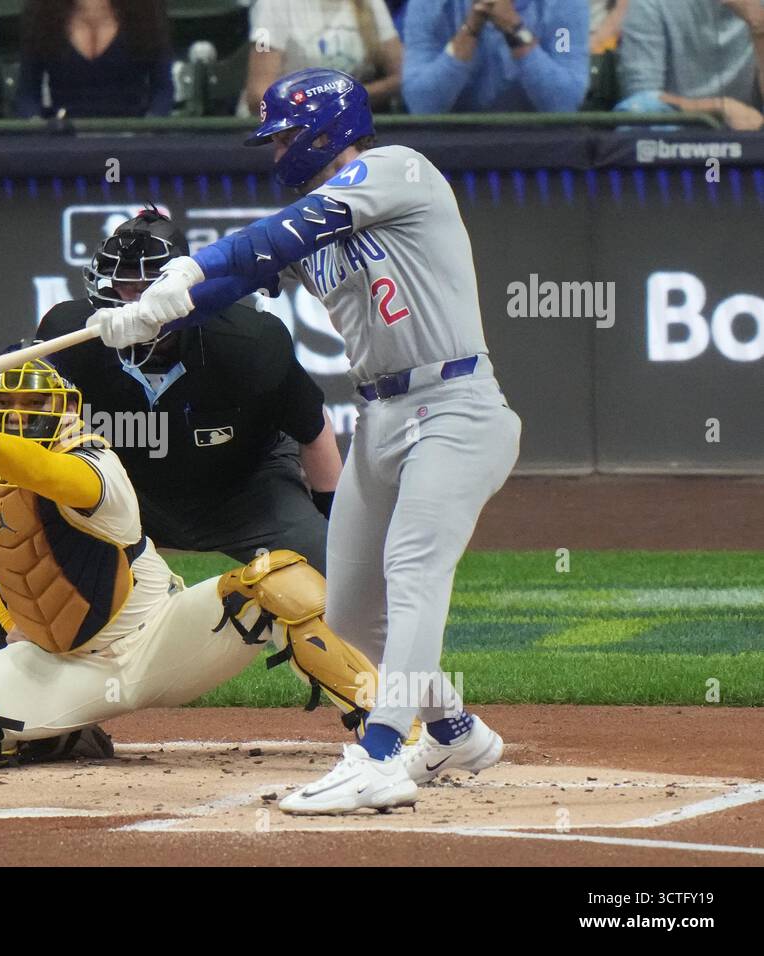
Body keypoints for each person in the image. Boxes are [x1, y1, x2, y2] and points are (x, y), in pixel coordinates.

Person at [86, 67, 521, 815]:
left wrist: (188, 271)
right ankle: (453, 729)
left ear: (325, 128)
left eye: (285, 134)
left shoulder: (395, 170)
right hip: (381, 418)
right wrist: (160, 312)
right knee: (351, 610)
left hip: (455, 406)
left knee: (413, 569)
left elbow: (270, 239)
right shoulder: (315, 214)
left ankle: (382, 754)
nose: (277, 148)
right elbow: (245, 276)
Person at [0, 356, 384, 771]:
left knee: (277, 579)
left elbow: (59, 480)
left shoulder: (91, 459)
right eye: (5, 404)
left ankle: (386, 720)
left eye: (36, 404)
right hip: (63, 666)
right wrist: (8, 620)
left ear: (64, 410)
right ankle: (60, 739)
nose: (20, 416)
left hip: (160, 642)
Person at [0, 209, 343, 677]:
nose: (130, 300)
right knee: (18, 554)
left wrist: (334, 528)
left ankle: (379, 704)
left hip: (246, 489)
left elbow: (313, 429)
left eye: (144, 288)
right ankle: (3, 698)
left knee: (341, 572)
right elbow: (27, 443)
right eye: (121, 286)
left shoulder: (248, 342)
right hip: (120, 495)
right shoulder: (66, 338)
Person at [401, 0, 589, 113]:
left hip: (542, 144)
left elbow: (566, 100)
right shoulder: (427, 5)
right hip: (452, 147)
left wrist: (515, 30)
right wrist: (470, 29)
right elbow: (421, 103)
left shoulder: (565, 4)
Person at [616, 0, 764, 131]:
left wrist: (759, 28)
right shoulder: (650, 3)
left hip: (752, 136)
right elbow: (642, 99)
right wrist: (719, 107)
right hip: (674, 136)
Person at [14, 0, 172, 118]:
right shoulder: (41, 11)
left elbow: (163, 89)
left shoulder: (147, 9)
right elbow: (27, 93)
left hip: (130, 138)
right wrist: (35, 128)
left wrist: (149, 131)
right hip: (65, 140)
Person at [243, 0, 403, 113]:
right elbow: (258, 95)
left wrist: (347, 97)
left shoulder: (372, 3)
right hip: (288, 127)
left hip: (348, 123)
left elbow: (403, 76)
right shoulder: (272, 5)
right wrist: (321, 102)